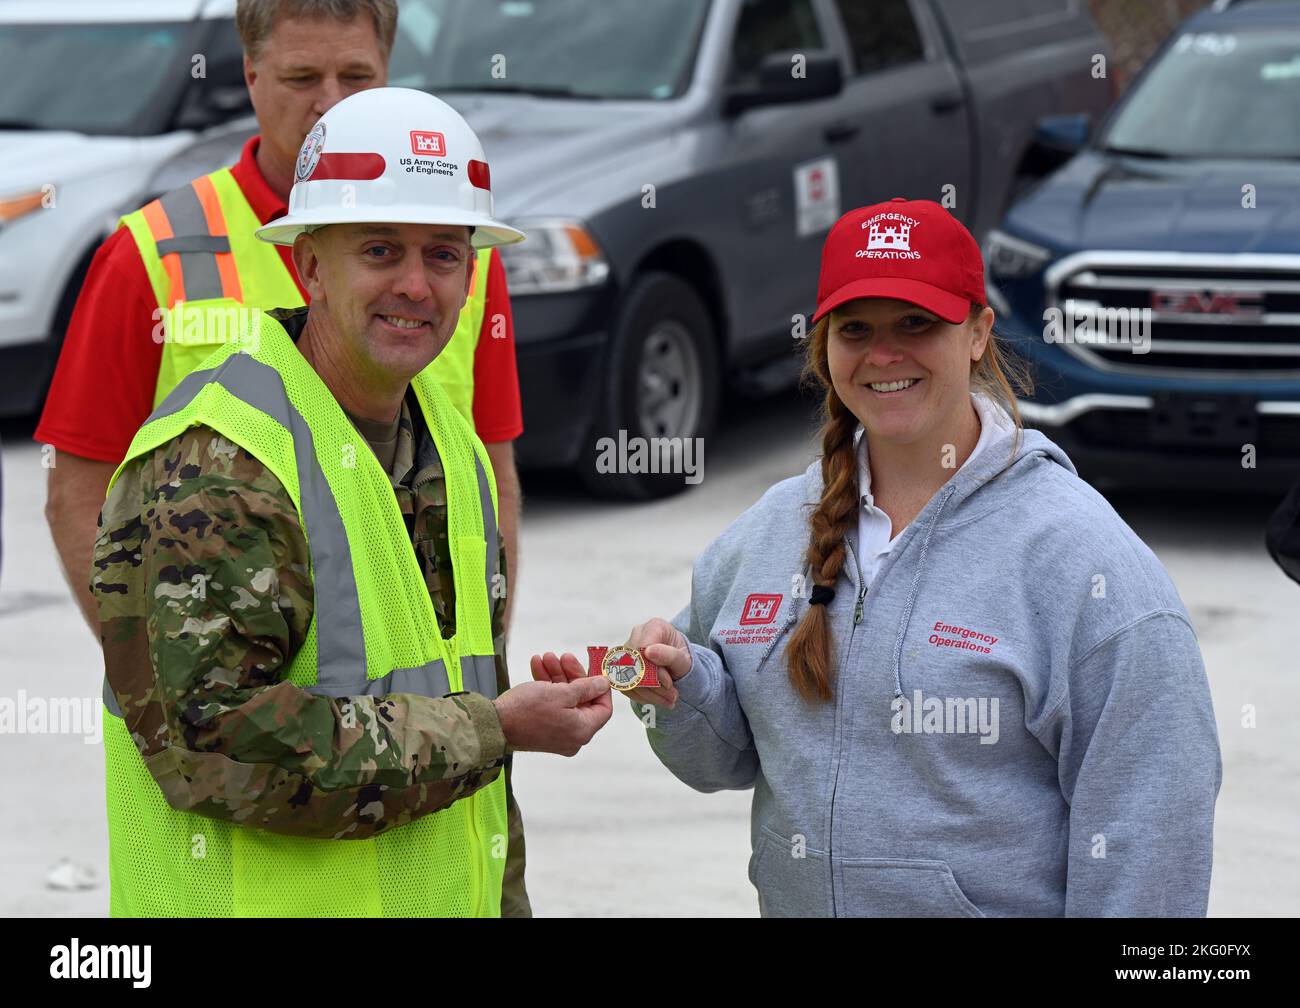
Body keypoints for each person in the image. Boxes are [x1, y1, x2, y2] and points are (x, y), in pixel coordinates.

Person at [532, 198, 1222, 917]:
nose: (883, 354)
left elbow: (1152, 838)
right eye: (856, 329)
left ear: (979, 332)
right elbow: (722, 761)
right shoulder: (769, 534)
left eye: (916, 323)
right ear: (824, 343)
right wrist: (684, 685)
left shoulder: (1085, 564)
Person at [93, 87, 610, 917]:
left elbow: (476, 771)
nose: (415, 284)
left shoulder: (451, 444)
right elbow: (214, 746)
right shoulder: (220, 462)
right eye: (379, 250)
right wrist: (495, 727)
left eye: (443, 255)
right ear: (309, 265)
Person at [39, 0, 525, 642]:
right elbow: (77, 487)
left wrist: (484, 679)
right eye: (302, 78)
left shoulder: (462, 262)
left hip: (434, 718)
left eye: (356, 77)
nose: (331, 102)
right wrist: (148, 672)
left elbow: (493, 472)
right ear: (251, 76)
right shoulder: (150, 252)